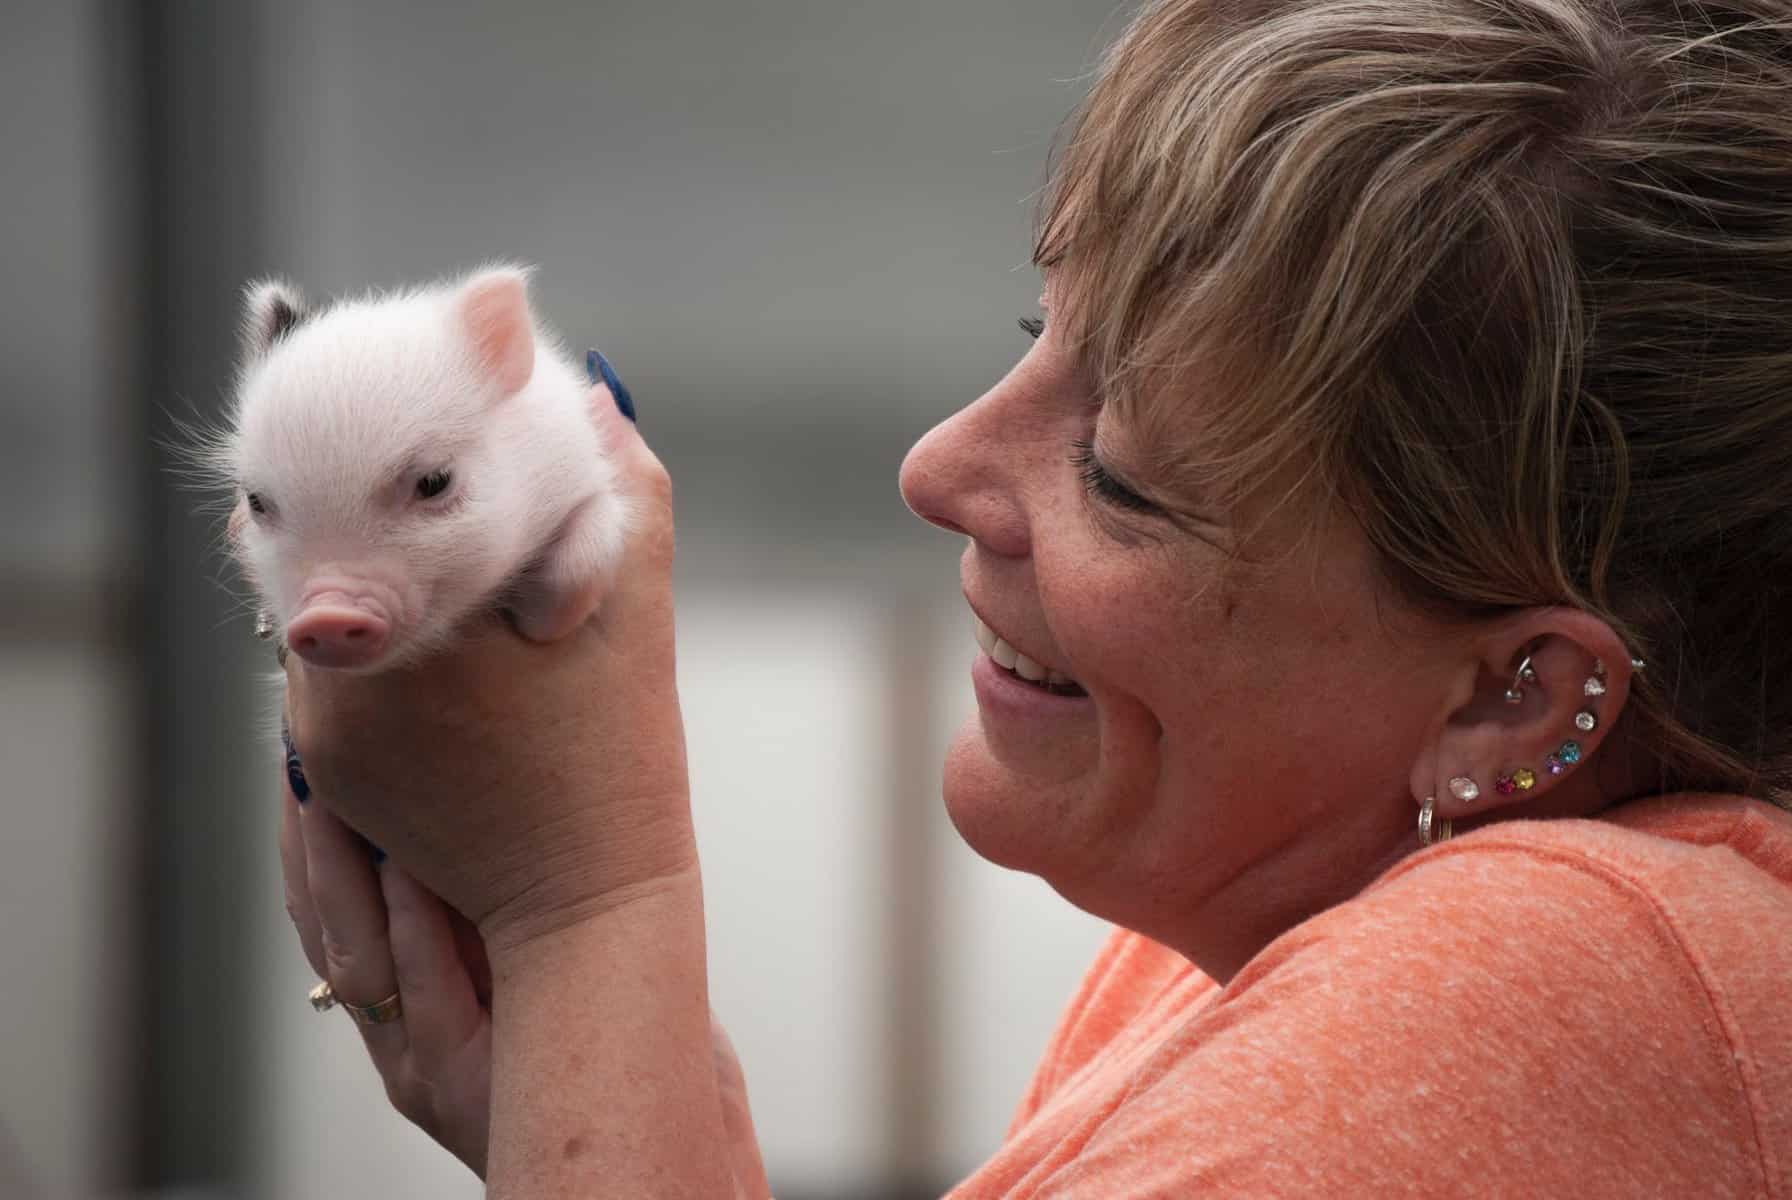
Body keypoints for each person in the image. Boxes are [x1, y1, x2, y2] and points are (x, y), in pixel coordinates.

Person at [273, 0, 1792, 1194]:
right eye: (1033, 335)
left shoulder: (1547, 982)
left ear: (1513, 698)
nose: (936, 468)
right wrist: (615, 1090)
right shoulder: (1267, 928)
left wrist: (585, 914)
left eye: (1120, 471)